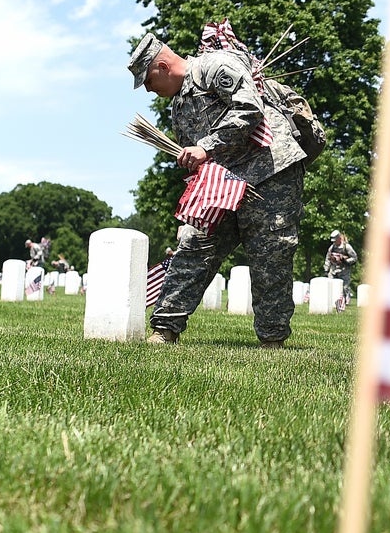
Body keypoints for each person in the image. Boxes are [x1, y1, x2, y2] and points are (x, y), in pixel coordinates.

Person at [128, 31, 307, 348]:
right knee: (193, 249)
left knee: (271, 256)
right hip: (223, 184)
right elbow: (195, 155)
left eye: (149, 81)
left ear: (163, 65)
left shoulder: (215, 66)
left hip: (270, 172)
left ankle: (272, 340)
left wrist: (205, 148)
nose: (150, 91)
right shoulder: (179, 108)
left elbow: (250, 110)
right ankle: (165, 329)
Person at [323, 230, 357, 312]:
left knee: (344, 288)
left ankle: (342, 305)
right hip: (334, 270)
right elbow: (327, 259)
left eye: (335, 240)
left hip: (344, 270)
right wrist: (326, 269)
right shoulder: (332, 248)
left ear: (339, 238)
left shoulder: (347, 247)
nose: (334, 242)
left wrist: (346, 261)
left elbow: (354, 258)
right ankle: (332, 303)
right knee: (330, 286)